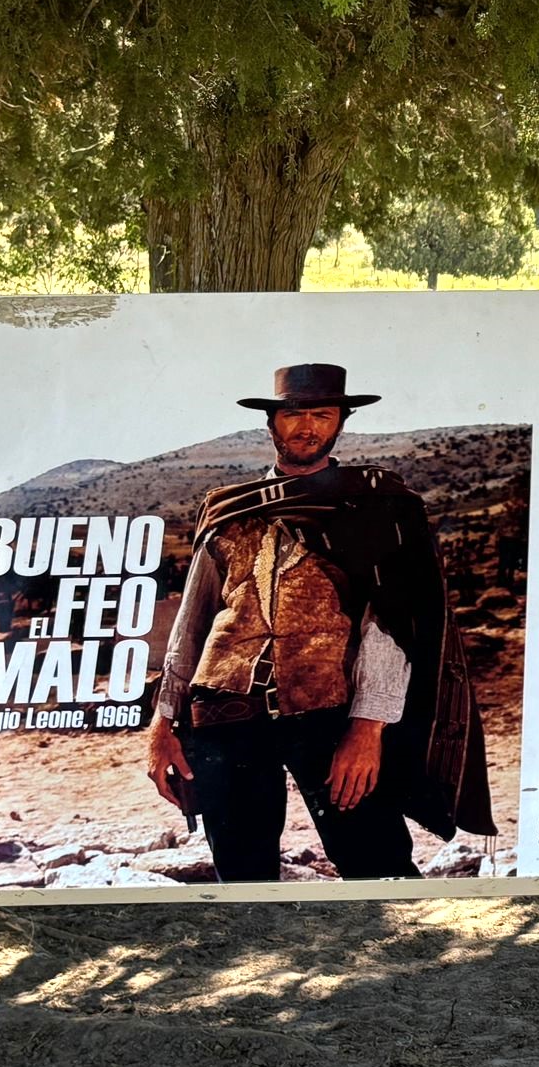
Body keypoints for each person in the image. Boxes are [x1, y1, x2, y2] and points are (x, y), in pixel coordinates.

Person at [145, 364, 495, 882]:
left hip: (329, 712)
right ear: (272, 423)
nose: (307, 427)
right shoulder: (227, 509)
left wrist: (368, 727)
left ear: (340, 422)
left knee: (377, 864)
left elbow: (390, 625)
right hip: (223, 713)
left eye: (322, 415)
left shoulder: (377, 507)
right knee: (240, 875)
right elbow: (192, 623)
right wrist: (163, 723)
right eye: (293, 415)